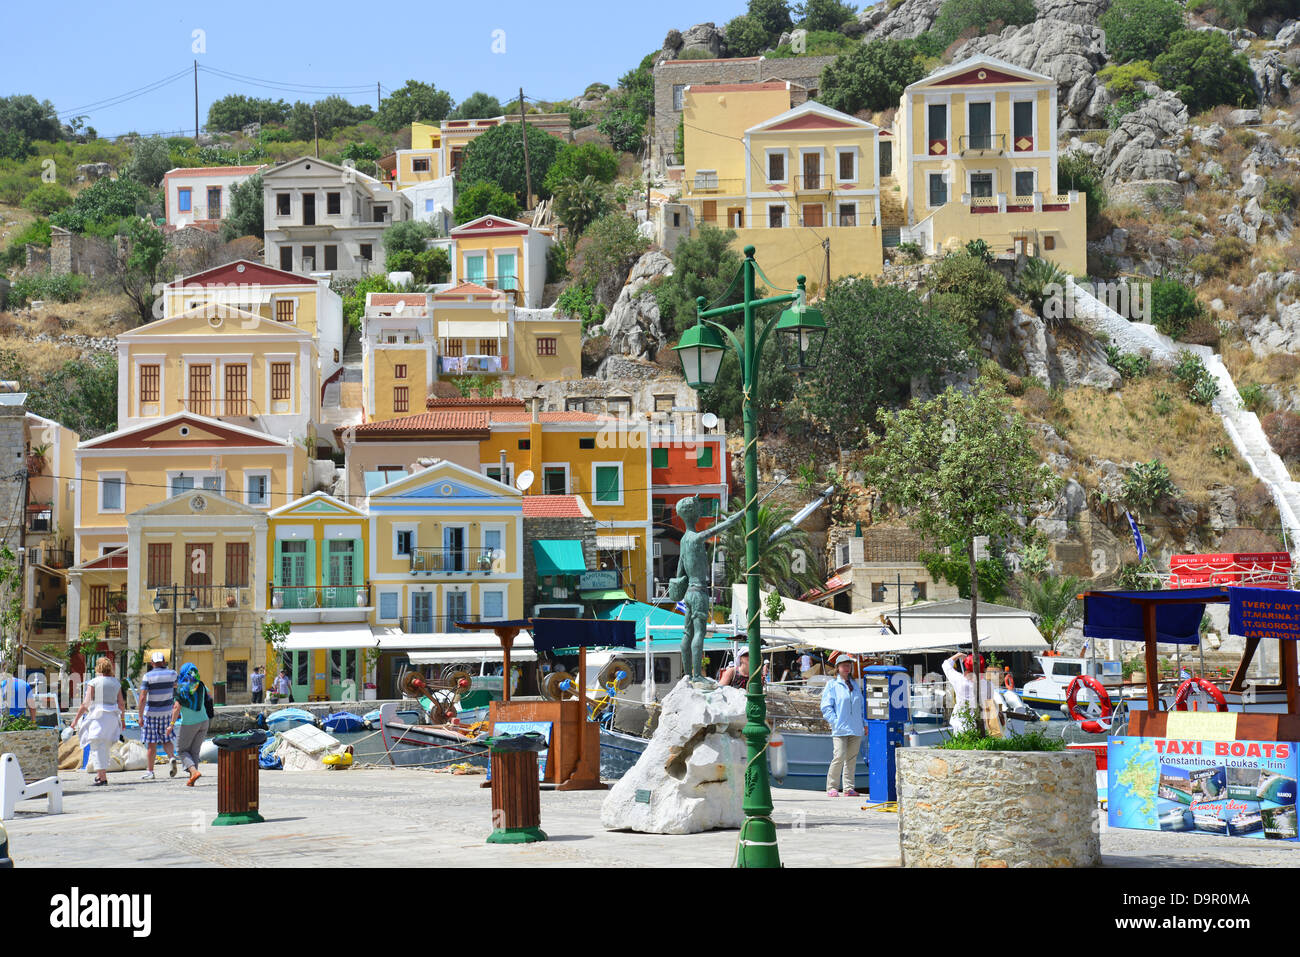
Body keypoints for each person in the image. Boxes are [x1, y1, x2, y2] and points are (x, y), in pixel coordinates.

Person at [72, 658, 125, 786]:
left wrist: (74, 721)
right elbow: (121, 704)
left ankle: (102, 778)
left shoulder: (94, 682)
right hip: (112, 717)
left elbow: (86, 703)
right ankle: (100, 775)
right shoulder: (116, 683)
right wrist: (122, 721)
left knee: (96, 746)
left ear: (98, 668)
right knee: (105, 747)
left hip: (99, 716)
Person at [820, 655, 866, 797]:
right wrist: (834, 721)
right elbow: (826, 707)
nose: (847, 668)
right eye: (844, 665)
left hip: (856, 727)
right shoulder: (832, 685)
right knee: (839, 756)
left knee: (852, 759)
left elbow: (862, 706)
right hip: (840, 728)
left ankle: (848, 787)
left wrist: (864, 724)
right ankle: (832, 787)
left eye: (849, 665)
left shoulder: (855, 684)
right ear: (838, 668)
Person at [138, 652, 179, 780]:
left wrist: (140, 715)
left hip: (151, 714)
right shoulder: (173, 674)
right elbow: (176, 687)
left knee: (151, 743)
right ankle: (171, 757)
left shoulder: (148, 676)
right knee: (166, 739)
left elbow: (143, 697)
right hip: (167, 712)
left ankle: (150, 772)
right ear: (164, 661)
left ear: (152, 663)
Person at [172, 663, 212, 787]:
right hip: (204, 721)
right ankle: (192, 778)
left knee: (181, 750)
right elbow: (209, 696)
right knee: (194, 751)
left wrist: (171, 724)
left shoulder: (181, 690)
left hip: (190, 723)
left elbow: (176, 707)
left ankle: (194, 771)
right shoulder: (201, 685)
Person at [942, 652, 995, 734]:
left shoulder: (959, 680)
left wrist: (959, 655)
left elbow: (945, 665)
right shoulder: (989, 685)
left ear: (966, 666)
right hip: (982, 726)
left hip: (961, 724)